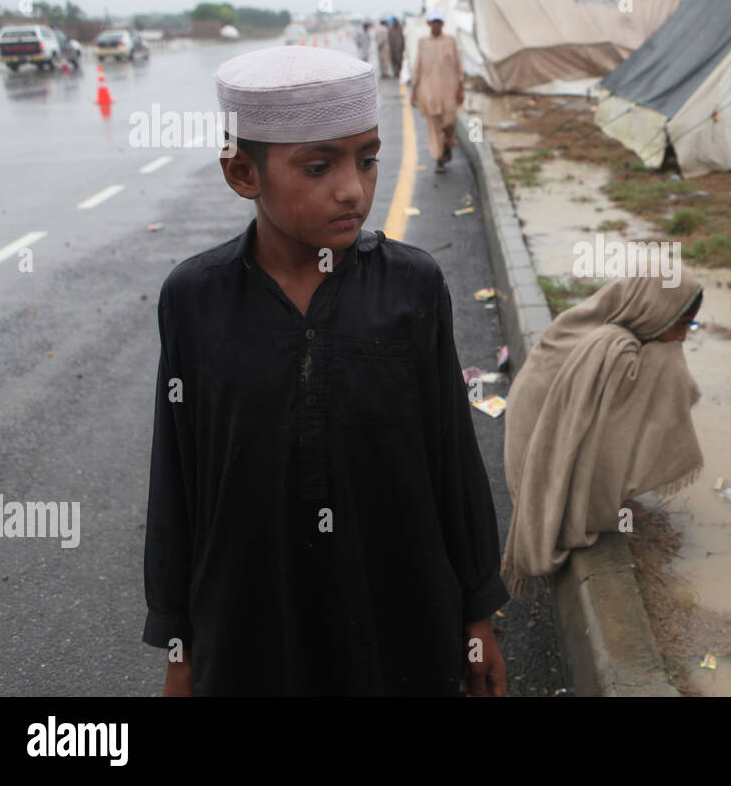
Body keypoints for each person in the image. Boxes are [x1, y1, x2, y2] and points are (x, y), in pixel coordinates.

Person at [142, 45, 508, 695]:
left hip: (400, 616)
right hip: (249, 624)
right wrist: (179, 642)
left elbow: (452, 458)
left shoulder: (411, 287)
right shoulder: (195, 299)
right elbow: (178, 477)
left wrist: (478, 615)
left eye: (367, 160)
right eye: (319, 166)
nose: (353, 188)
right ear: (242, 175)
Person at [501, 270, 705, 591]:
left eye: (689, 326)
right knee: (667, 364)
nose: (682, 337)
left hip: (530, 461)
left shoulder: (587, 319)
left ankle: (611, 498)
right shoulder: (614, 348)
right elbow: (600, 440)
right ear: (653, 310)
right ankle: (598, 505)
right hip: (539, 477)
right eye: (680, 324)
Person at [411, 9, 464, 174]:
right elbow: (417, 66)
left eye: (438, 22)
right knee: (433, 127)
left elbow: (458, 65)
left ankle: (448, 141)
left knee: (450, 121)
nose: (436, 25)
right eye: (433, 22)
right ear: (429, 24)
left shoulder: (451, 41)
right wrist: (414, 89)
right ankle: (439, 159)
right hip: (429, 92)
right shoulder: (422, 42)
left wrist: (461, 87)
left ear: (442, 24)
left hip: (449, 89)